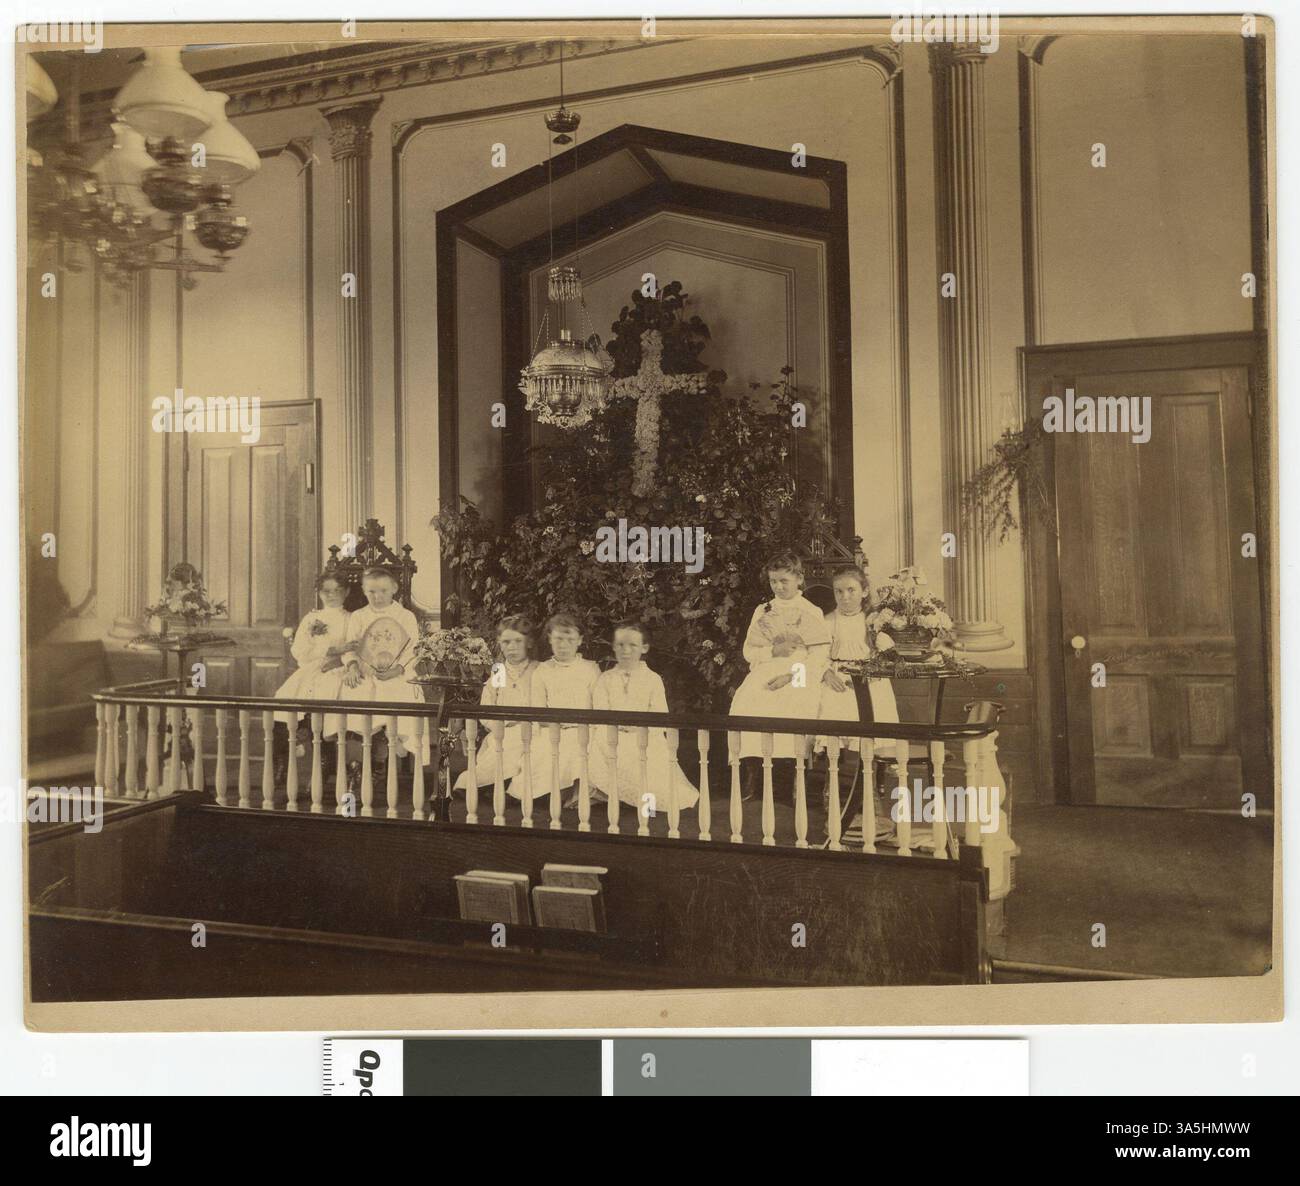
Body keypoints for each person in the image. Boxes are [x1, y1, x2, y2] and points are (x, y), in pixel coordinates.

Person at [729, 552, 831, 801]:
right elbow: (748, 651)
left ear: (799, 578)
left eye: (784, 580)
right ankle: (753, 773)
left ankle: (797, 777)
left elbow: (819, 655)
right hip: (767, 665)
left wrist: (790, 675)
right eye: (774, 581)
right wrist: (773, 650)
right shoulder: (763, 610)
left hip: (800, 672)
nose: (778, 586)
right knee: (747, 700)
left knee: (796, 703)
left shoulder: (812, 611)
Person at [816, 565, 900, 835]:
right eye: (839, 591)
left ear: (864, 591)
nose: (845, 596)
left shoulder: (874, 621)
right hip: (839, 680)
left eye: (851, 590)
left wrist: (879, 659)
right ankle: (832, 800)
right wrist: (826, 672)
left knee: (871, 734)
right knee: (833, 726)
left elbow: (888, 654)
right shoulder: (827, 621)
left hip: (869, 680)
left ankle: (871, 802)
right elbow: (816, 655)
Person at [588, 622, 699, 823]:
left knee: (649, 756)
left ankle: (647, 803)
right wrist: (617, 725)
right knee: (602, 745)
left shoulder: (652, 679)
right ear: (613, 647)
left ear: (644, 648)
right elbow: (600, 711)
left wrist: (640, 727)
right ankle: (616, 797)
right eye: (620, 645)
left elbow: (659, 713)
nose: (626, 651)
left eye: (632, 645)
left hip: (644, 734)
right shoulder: (606, 679)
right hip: (612, 734)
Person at [322, 567, 426, 771]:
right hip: (364, 671)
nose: (377, 597)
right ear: (363, 590)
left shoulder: (405, 616)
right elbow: (350, 648)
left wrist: (396, 670)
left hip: (397, 673)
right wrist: (352, 667)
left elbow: (413, 651)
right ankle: (357, 764)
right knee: (354, 691)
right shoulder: (359, 616)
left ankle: (381, 760)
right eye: (371, 592)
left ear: (394, 588)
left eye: (383, 591)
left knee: (397, 693)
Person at [271, 573, 351, 786]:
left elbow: (356, 648)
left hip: (339, 669)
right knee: (283, 698)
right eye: (326, 591)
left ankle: (325, 762)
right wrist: (327, 649)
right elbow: (300, 651)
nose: (332, 595)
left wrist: (336, 658)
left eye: (337, 590)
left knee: (323, 699)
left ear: (347, 592)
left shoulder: (351, 619)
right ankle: (282, 761)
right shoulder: (311, 619)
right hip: (312, 668)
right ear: (319, 593)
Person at [453, 614, 539, 798]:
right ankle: (483, 784)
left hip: (530, 729)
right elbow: (488, 704)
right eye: (506, 642)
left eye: (518, 641)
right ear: (500, 643)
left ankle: (503, 784)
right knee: (496, 750)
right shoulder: (499, 671)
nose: (512, 647)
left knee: (521, 748)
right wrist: (498, 724)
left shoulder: (538, 670)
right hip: (501, 730)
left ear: (529, 643)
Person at [523, 612, 601, 808]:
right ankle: (557, 790)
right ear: (549, 638)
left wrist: (581, 723)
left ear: (580, 640)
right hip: (553, 728)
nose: (564, 645)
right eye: (558, 639)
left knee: (585, 747)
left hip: (586, 728)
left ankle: (581, 793)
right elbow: (538, 712)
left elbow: (599, 706)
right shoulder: (542, 671)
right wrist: (561, 722)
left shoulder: (591, 669)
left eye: (570, 639)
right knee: (551, 750)